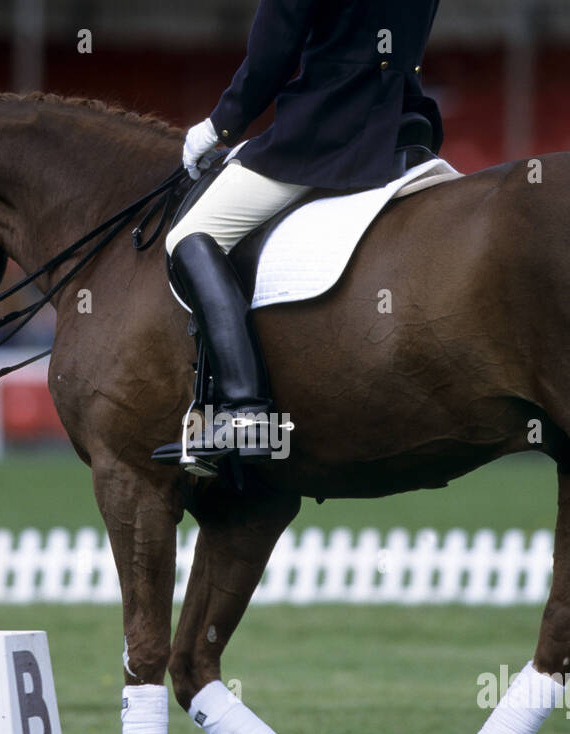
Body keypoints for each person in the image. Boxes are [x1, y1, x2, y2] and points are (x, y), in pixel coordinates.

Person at [163, 0, 444, 461]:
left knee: (190, 236)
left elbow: (274, 51)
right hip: (401, 122)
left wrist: (221, 124)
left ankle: (245, 412)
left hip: (324, 130)